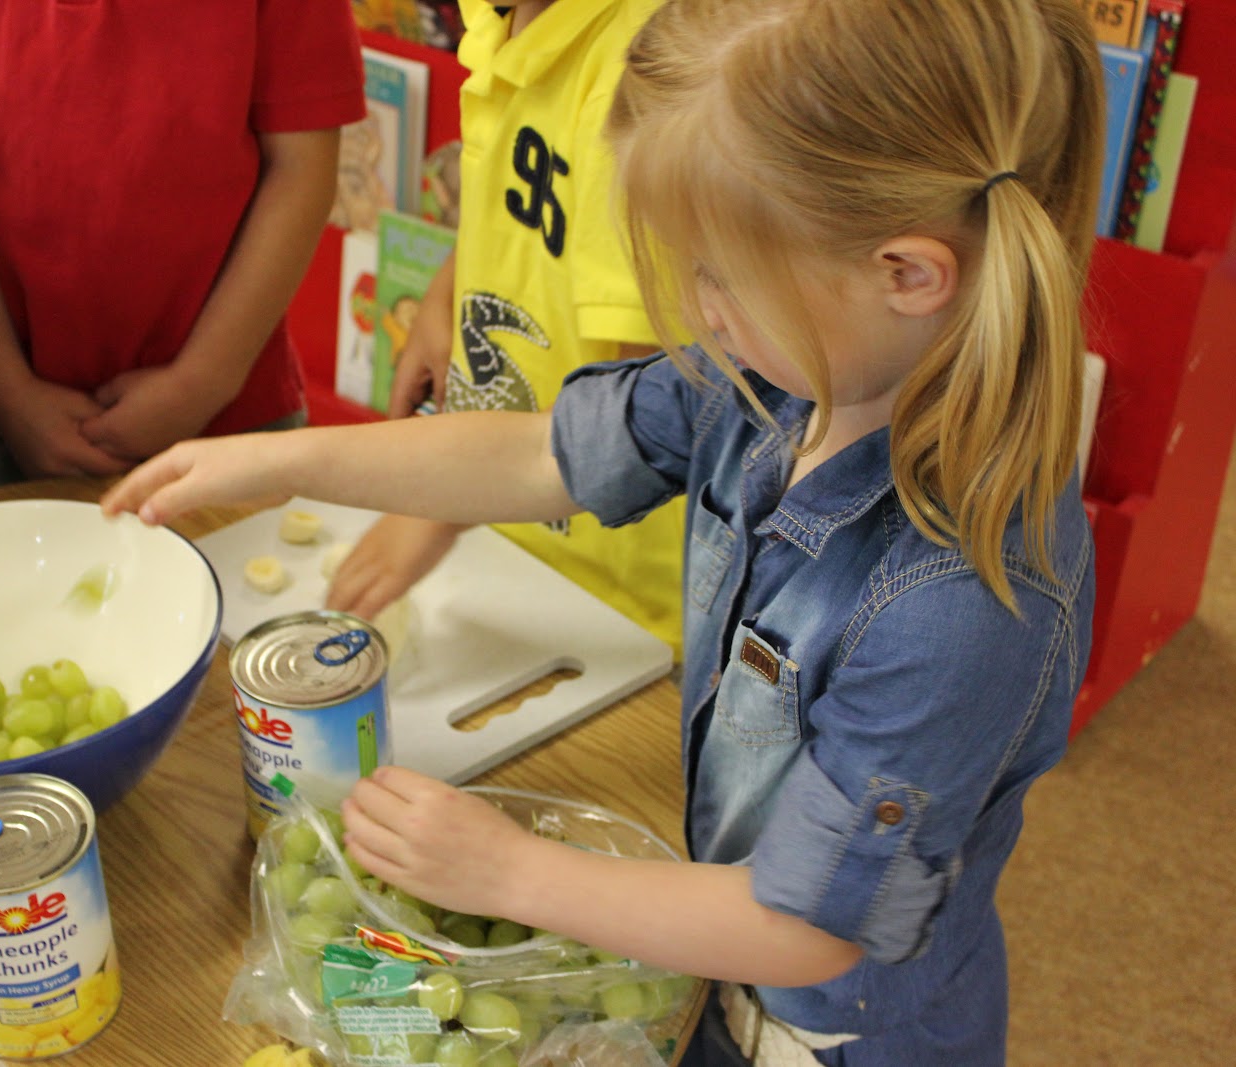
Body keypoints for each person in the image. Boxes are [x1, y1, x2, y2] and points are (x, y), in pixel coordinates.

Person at [102, 0, 1104, 1060]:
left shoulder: (958, 603)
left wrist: (511, 874)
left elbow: (806, 926)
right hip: (716, 961)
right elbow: (541, 455)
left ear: (905, 275)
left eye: (719, 272)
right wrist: (284, 459)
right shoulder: (771, 385)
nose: (689, 303)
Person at [0, 1, 367, 488]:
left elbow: (301, 170)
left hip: (232, 415)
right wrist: (7, 391)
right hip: (28, 422)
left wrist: (201, 382)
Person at [326, 0, 686, 657]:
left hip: (621, 595)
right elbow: (523, 198)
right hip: (512, 527)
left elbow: (647, 399)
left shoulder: (642, 69)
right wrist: (444, 295)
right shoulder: (507, 18)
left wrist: (442, 501)